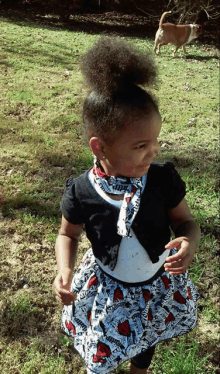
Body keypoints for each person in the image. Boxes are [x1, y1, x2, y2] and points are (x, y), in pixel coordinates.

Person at [53, 37, 201, 374]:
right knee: (104, 347)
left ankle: (139, 370)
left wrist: (190, 241)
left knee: (146, 334)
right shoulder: (82, 191)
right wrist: (64, 269)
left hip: (154, 286)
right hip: (109, 289)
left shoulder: (161, 179)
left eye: (156, 142)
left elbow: (186, 222)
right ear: (100, 146)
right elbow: (68, 235)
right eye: (140, 146)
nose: (153, 153)